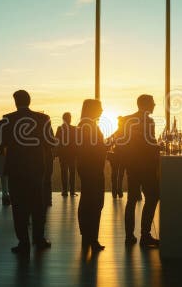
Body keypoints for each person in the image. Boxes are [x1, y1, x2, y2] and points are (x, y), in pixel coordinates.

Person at [0, 90, 56, 254]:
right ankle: (39, 239)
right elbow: (50, 142)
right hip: (36, 168)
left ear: (15, 102)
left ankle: (23, 242)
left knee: (18, 207)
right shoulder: (43, 119)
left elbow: (2, 144)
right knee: (38, 205)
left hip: (16, 169)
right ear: (29, 101)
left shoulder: (7, 119)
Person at [121, 94, 161, 248]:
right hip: (146, 166)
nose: (154, 105)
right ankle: (145, 235)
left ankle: (129, 236)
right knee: (152, 197)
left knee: (131, 200)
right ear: (145, 104)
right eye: (152, 103)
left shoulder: (127, 120)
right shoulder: (149, 121)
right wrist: (160, 147)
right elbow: (150, 143)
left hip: (132, 166)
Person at [76, 99, 108, 251]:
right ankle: (91, 238)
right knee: (94, 203)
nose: (102, 110)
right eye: (99, 108)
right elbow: (93, 150)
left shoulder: (85, 125)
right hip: (92, 169)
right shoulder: (89, 126)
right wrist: (106, 147)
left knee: (89, 201)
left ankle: (88, 237)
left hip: (88, 169)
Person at [55, 112, 78, 197]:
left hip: (63, 154)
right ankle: (72, 191)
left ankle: (65, 191)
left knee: (64, 172)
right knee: (72, 172)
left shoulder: (60, 128)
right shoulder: (74, 128)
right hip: (72, 154)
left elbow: (56, 140)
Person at [107, 116, 126, 199]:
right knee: (120, 174)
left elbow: (109, 142)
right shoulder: (125, 133)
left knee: (114, 174)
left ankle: (114, 191)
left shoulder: (115, 133)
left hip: (115, 155)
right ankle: (119, 191)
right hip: (122, 155)